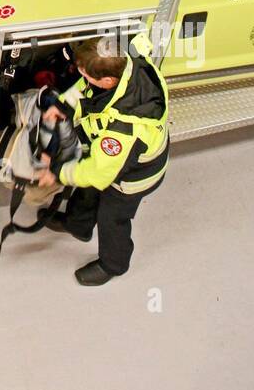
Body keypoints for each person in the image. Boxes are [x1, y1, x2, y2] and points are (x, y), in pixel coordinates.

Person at [37, 35, 169, 285]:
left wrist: (56, 172)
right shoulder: (126, 63)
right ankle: (78, 225)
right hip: (116, 163)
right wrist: (63, 107)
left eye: (86, 74)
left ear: (108, 80)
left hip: (133, 178)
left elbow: (97, 173)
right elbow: (86, 88)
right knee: (88, 192)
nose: (83, 78)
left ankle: (113, 264)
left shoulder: (124, 129)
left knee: (112, 218)